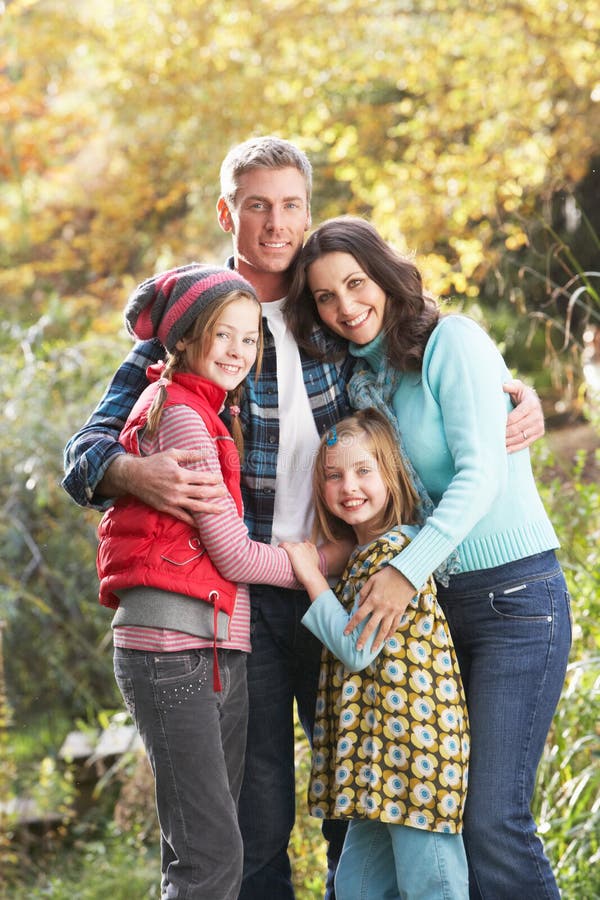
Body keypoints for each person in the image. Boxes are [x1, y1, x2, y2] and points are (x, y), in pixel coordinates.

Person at [62, 136, 545, 899]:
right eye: (257, 206)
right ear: (229, 213)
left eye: (290, 205)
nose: (275, 223)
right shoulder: (197, 318)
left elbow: (425, 358)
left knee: (357, 804)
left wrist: (512, 392)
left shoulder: (334, 313)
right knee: (256, 819)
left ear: (307, 211)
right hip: (240, 597)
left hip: (345, 584)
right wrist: (132, 470)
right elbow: (85, 450)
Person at [285, 215, 572, 899]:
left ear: (384, 274)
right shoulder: (363, 383)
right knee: (450, 817)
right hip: (441, 614)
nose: (346, 306)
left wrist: (402, 571)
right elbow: (387, 495)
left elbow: (480, 474)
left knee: (494, 822)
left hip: (514, 600)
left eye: (355, 283)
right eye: (326, 296)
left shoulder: (454, 343)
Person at [96, 263, 323, 900]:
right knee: (211, 859)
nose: (237, 351)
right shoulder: (184, 418)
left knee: (205, 850)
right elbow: (237, 557)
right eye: (222, 335)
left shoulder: (208, 412)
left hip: (210, 648)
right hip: (172, 652)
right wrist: (325, 561)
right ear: (188, 337)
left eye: (249, 339)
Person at [282, 408, 470, 900]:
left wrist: (311, 577)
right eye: (334, 475)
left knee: (431, 884)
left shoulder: (394, 556)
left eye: (364, 470)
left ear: (391, 474)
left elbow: (356, 649)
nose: (350, 485)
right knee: (356, 886)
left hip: (411, 759)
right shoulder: (368, 554)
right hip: (374, 761)